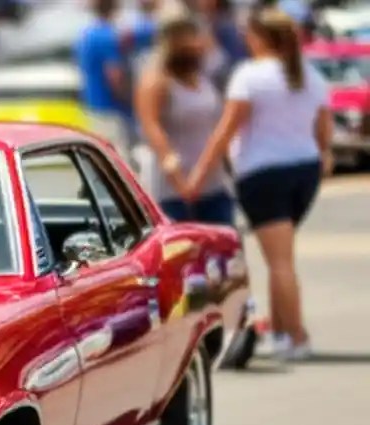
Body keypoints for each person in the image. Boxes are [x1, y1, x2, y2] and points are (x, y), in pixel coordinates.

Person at [188, 8, 333, 360]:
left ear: (260, 37)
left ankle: (297, 337)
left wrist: (198, 176)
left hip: (264, 175)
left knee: (280, 261)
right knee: (278, 257)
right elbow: (324, 131)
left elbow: (225, 131)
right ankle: (282, 331)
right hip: (304, 170)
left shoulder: (250, 77)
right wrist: (323, 158)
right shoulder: (310, 75)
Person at [134, 9, 234, 225]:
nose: (197, 44)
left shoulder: (202, 78)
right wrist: (180, 182)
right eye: (188, 37)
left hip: (213, 185)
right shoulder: (157, 81)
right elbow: (152, 129)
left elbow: (217, 126)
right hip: (174, 192)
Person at [76, 0, 134, 156]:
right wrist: (128, 99)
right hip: (111, 110)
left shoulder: (87, 34)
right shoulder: (107, 36)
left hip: (93, 106)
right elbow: (114, 76)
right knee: (119, 159)